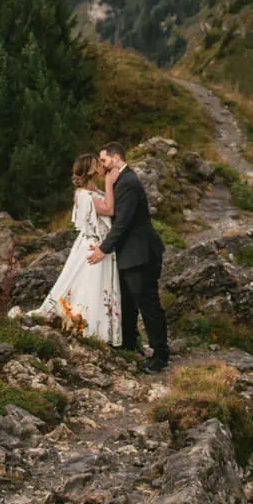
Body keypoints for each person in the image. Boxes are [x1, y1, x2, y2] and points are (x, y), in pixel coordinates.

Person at [19, 153, 123, 342]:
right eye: (97, 164)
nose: (101, 166)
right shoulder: (84, 195)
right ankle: (89, 330)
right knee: (90, 286)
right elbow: (108, 210)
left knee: (98, 288)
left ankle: (98, 330)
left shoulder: (94, 192)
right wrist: (109, 183)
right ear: (91, 171)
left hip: (100, 245)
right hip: (94, 246)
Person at [88, 140, 170, 372]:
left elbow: (122, 223)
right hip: (129, 254)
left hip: (140, 254)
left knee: (147, 303)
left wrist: (103, 249)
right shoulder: (120, 181)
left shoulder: (129, 182)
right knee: (126, 301)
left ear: (115, 159)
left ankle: (160, 354)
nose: (101, 165)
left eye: (103, 160)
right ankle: (129, 344)